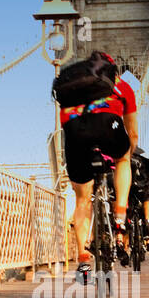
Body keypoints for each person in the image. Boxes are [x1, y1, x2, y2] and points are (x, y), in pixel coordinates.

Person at [54, 52, 137, 277]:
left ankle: (82, 259)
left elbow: (63, 122)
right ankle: (120, 216)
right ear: (112, 73)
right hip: (108, 128)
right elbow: (134, 133)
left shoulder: (71, 88)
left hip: (75, 133)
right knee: (124, 158)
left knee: (82, 200)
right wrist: (129, 149)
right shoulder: (123, 88)